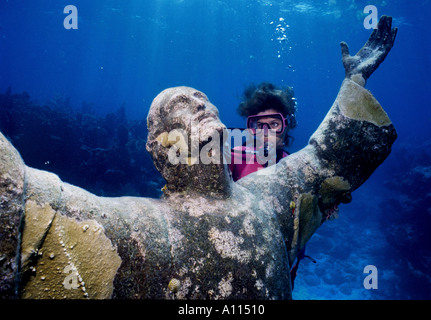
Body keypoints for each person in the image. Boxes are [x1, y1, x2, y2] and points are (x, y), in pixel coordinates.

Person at [0, 16, 397, 299]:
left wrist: (355, 81)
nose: (202, 104)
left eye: (205, 99)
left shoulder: (268, 193)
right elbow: (21, 202)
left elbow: (327, 156)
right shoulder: (134, 226)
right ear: (158, 149)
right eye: (183, 105)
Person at [229, 83, 297, 181]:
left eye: (274, 124)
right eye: (260, 126)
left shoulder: (293, 164)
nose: (266, 132)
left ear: (287, 126)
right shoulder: (236, 155)